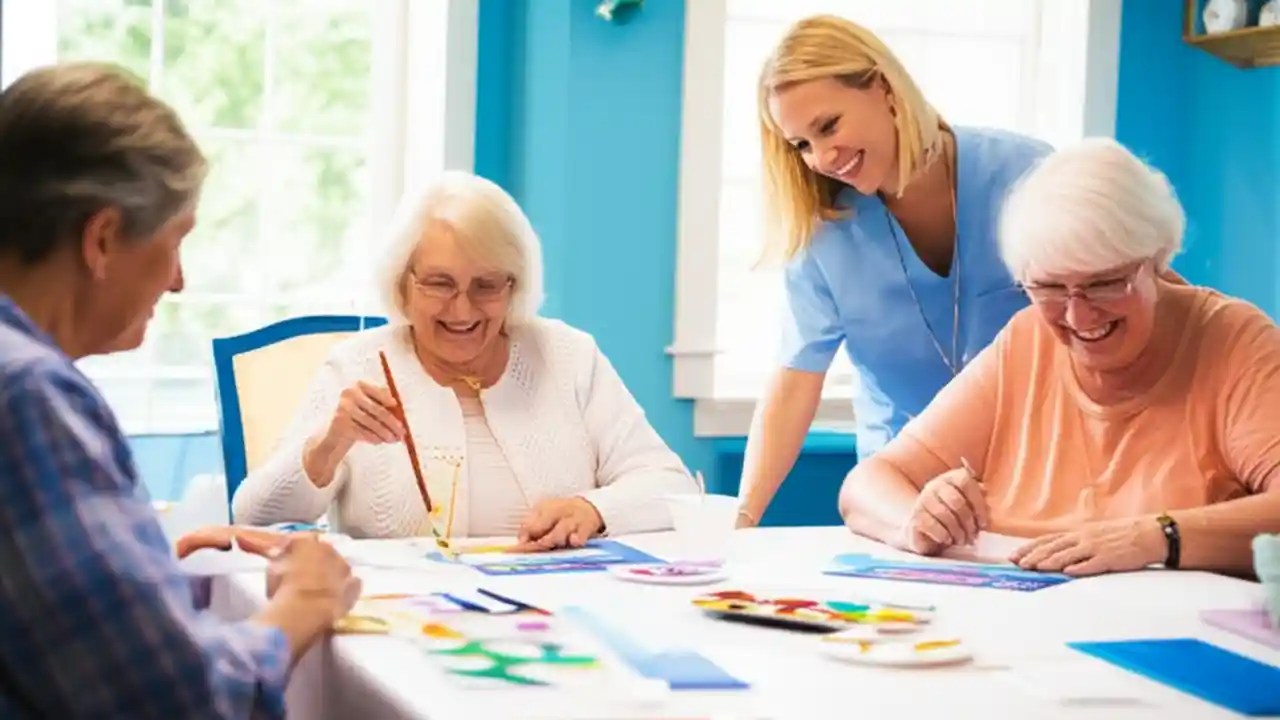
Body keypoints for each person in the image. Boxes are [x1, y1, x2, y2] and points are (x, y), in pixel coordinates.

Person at [0, 62, 360, 718]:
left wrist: (152, 574)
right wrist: (304, 602)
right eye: (175, 242)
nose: (178, 281)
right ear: (102, 239)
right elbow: (173, 700)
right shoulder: (29, 397)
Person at [838, 137, 1280, 577]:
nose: (1077, 315)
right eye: (1048, 288)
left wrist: (1157, 537)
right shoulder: (1026, 341)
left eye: (1105, 283)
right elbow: (866, 485)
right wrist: (916, 521)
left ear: (1156, 260)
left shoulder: (1232, 340)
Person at [232, 171, 696, 547]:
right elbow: (252, 517)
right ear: (402, 284)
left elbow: (673, 487)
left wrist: (593, 511)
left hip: (560, 614)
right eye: (439, 283)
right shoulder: (358, 365)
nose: (462, 309)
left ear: (514, 285)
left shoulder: (569, 356)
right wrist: (328, 443)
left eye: (487, 285)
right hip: (405, 621)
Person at [735, 14, 1052, 528]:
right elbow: (795, 381)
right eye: (801, 145)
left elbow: (1117, 300)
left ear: (883, 87)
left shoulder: (1027, 175)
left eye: (828, 126)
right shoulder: (824, 234)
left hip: (1038, 476)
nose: (821, 157)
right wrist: (742, 520)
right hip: (904, 493)